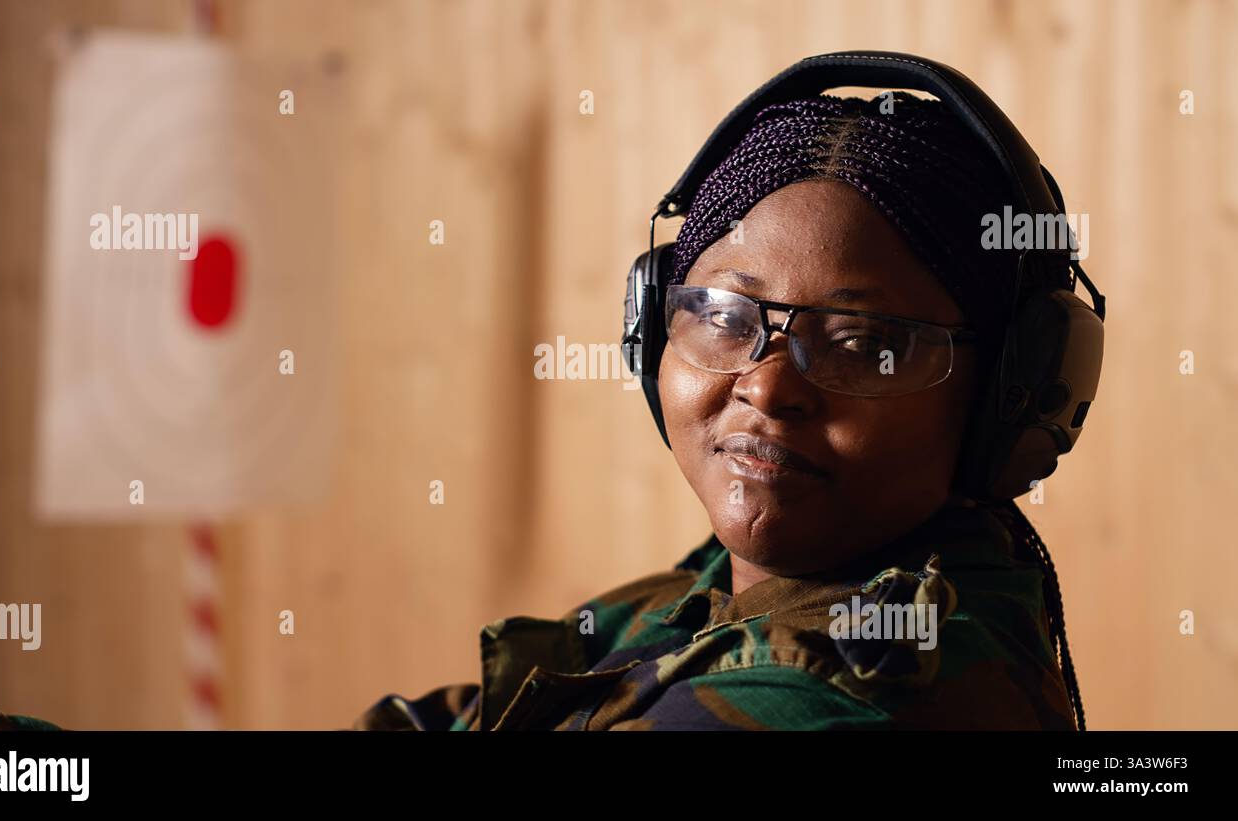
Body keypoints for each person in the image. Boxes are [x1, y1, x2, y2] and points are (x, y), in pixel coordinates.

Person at [355, 89, 1087, 731]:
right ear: (652, 325)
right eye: (725, 313)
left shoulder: (848, 695)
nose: (767, 388)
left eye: (862, 343)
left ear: (1006, 395)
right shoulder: (723, 591)